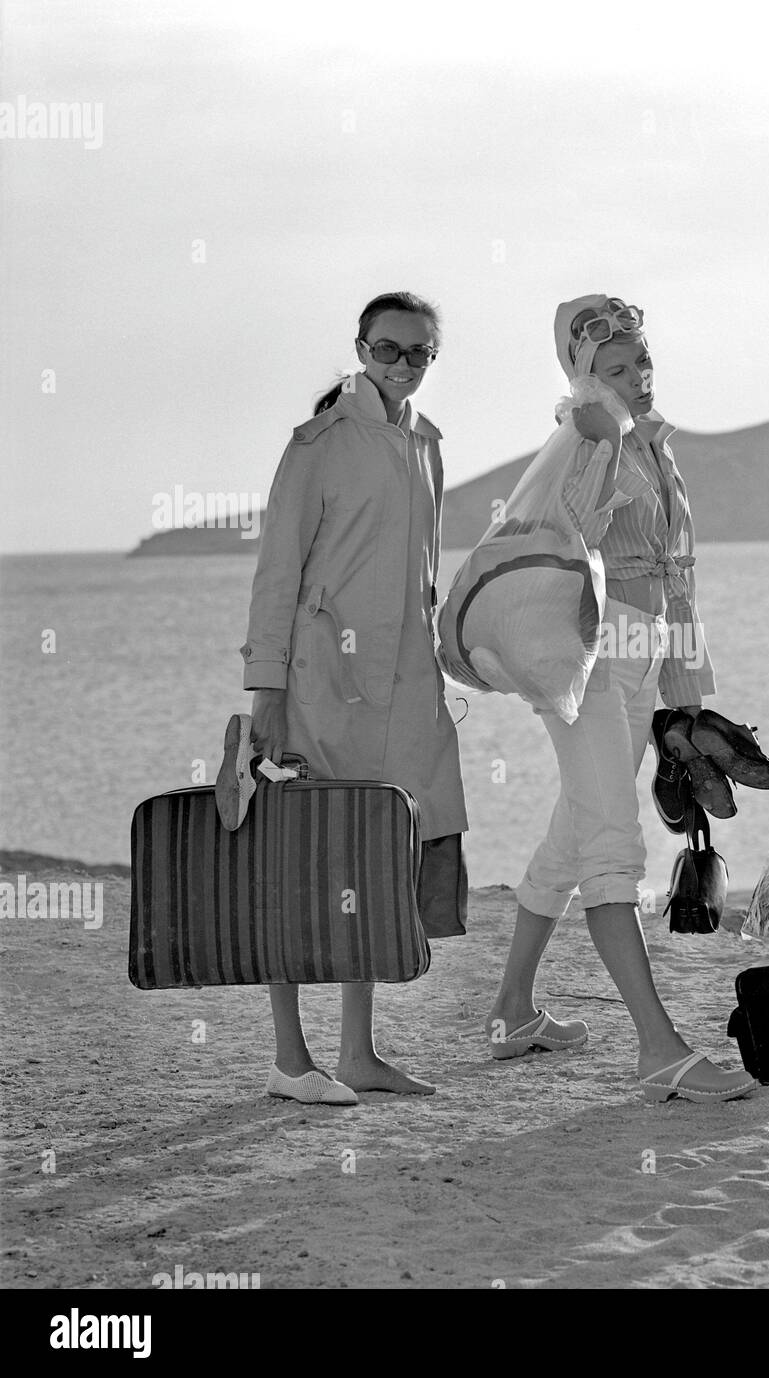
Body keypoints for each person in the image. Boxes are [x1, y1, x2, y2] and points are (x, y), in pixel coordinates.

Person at [483, 294, 757, 1104]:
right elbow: (566, 548)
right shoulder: (584, 441)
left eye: (641, 361)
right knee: (610, 845)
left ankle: (510, 1012)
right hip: (593, 662)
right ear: (580, 371)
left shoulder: (651, 443)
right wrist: (600, 446)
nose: (635, 377)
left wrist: (682, 698)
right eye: (614, 367)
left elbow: (675, 577)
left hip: (641, 658)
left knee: (574, 836)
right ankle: (658, 1048)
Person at [238, 290, 469, 1105]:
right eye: (388, 350)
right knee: (300, 856)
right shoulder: (317, 445)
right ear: (361, 347)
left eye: (419, 354)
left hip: (408, 687)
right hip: (320, 686)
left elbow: (426, 583)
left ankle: (360, 1053)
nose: (402, 366)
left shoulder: (429, 446)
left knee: (380, 853)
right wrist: (265, 687)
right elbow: (277, 572)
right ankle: (290, 1059)